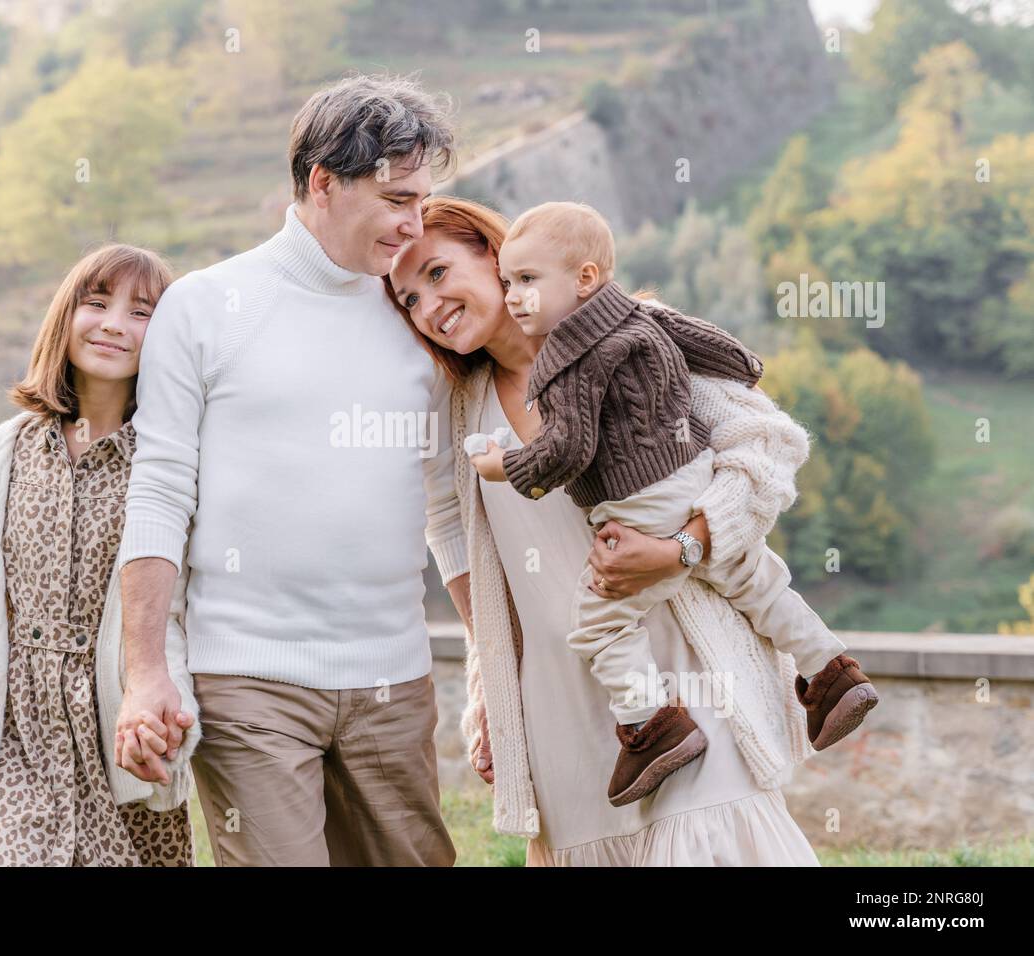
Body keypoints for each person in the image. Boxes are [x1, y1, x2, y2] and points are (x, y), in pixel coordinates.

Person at [387, 195, 824, 865]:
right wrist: (488, 689)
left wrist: (687, 545)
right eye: (409, 299)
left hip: (684, 675)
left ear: (494, 255)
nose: (429, 305)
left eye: (438, 273)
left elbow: (766, 443)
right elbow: (452, 537)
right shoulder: (454, 408)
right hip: (559, 701)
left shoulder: (628, 341)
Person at [113, 73, 463, 866]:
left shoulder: (423, 320)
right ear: (323, 183)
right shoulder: (205, 308)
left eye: (423, 201)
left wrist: (485, 672)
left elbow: (446, 507)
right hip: (248, 677)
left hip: (393, 680)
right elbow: (160, 491)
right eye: (397, 198)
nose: (417, 224)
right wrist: (146, 674)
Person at [465, 201, 877, 807]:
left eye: (526, 281)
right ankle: (831, 670)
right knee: (752, 577)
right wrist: (747, 367)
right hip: (694, 476)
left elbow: (568, 448)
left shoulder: (567, 352)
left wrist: (507, 468)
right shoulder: (639, 316)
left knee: (603, 623)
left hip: (639, 501)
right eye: (507, 283)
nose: (515, 297)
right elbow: (713, 347)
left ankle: (651, 725)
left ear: (583, 278)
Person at [0, 244, 197, 866]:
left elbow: (184, 614)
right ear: (65, 317)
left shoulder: (174, 462)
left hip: (125, 737)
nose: (114, 322)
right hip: (15, 738)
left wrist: (173, 720)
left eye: (141, 311)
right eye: (96, 302)